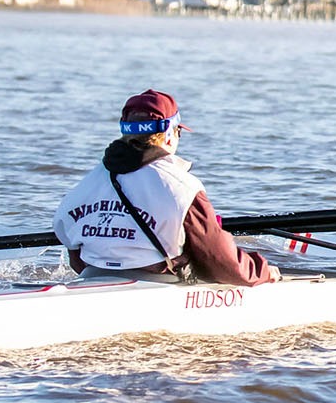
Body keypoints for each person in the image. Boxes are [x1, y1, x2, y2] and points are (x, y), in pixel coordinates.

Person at [55, 89, 277, 285]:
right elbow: (220, 262)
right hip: (159, 282)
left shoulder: (84, 186)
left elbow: (76, 259)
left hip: (92, 278)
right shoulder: (182, 188)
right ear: (170, 135)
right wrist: (264, 272)